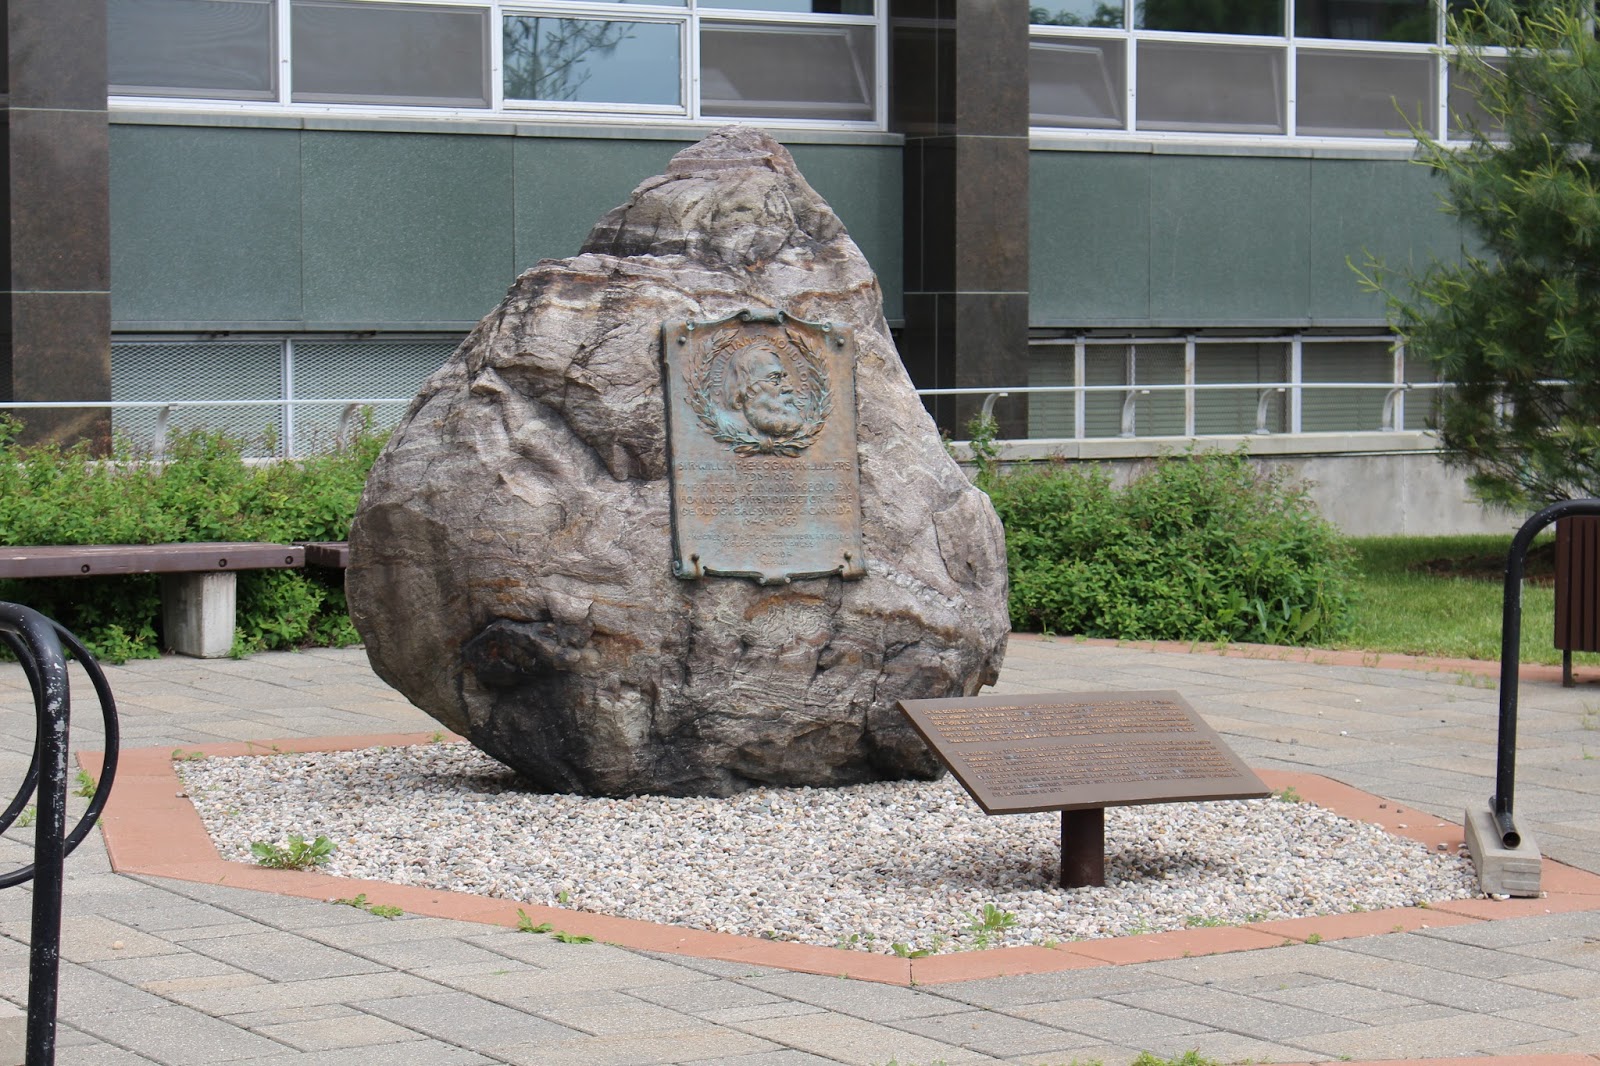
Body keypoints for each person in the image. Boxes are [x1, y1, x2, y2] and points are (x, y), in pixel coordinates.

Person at [719, 340, 805, 440]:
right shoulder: (726, 425)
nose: (788, 387)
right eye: (774, 379)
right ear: (748, 390)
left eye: (785, 377)